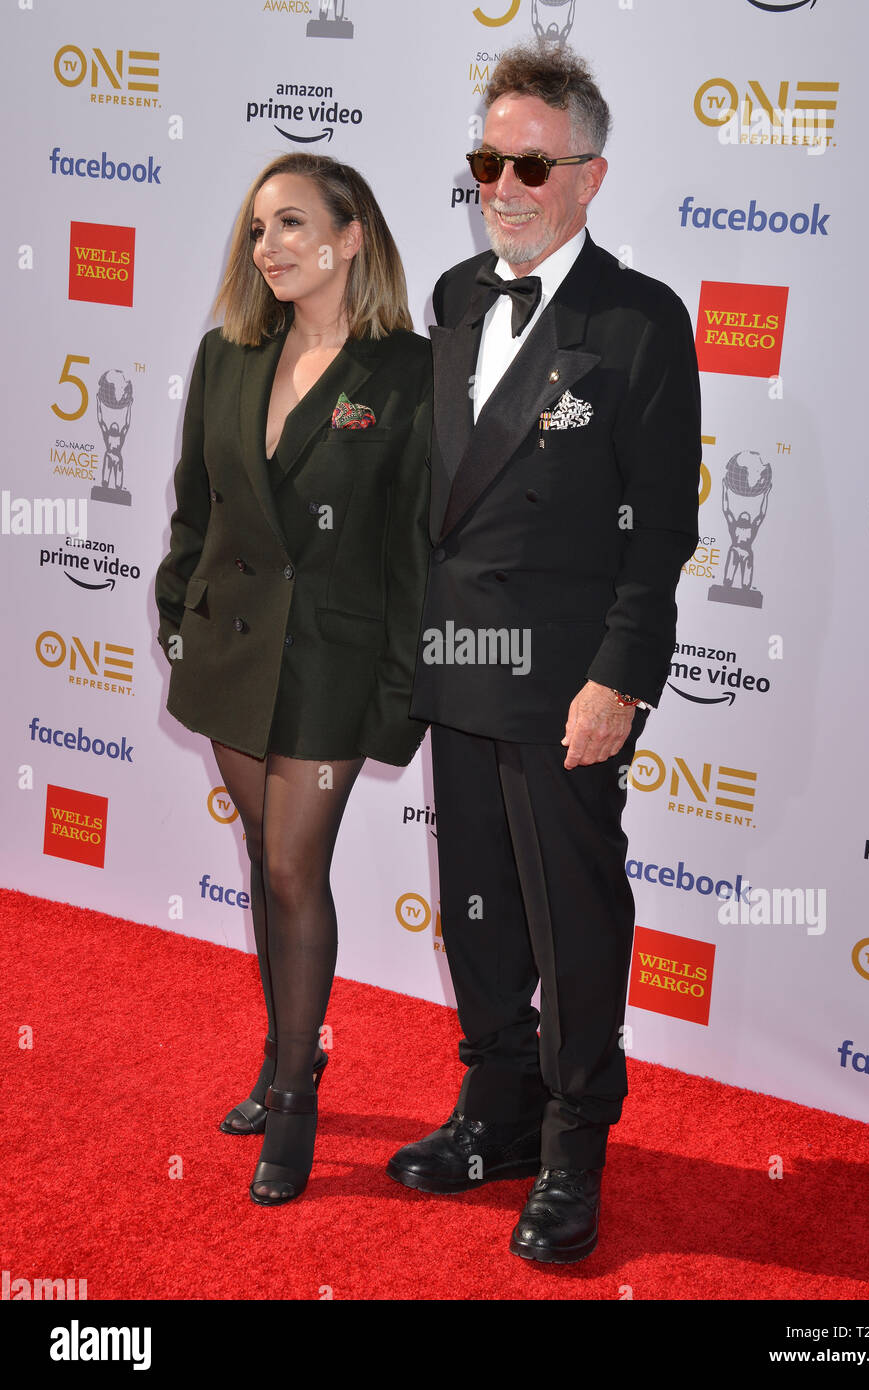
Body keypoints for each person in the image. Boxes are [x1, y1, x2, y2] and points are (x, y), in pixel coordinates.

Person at [387, 44, 701, 1263]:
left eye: (529, 162)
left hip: (566, 684)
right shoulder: (459, 293)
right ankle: (496, 1112)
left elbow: (661, 527)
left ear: (589, 175)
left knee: (573, 920)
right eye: (486, 160)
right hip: (460, 663)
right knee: (476, 909)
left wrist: (620, 677)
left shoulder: (640, 321)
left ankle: (575, 1146)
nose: (501, 184)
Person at [155, 153, 431, 1206]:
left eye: (292, 223)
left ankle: (296, 1086)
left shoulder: (408, 372)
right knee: (262, 859)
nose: (267, 245)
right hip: (229, 646)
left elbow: (413, 552)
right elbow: (196, 510)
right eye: (258, 228)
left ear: (351, 237)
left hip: (330, 662)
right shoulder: (227, 356)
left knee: (288, 871)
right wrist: (180, 618)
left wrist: (400, 695)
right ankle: (291, 1055)